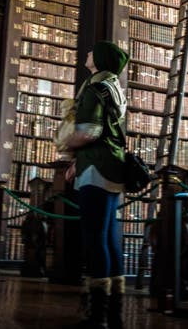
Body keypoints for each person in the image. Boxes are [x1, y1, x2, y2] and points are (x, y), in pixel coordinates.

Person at [62, 40, 129, 329]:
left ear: (100, 59)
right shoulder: (114, 87)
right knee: (109, 235)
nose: (87, 54)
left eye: (92, 52)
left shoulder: (94, 88)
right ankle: (114, 311)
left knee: (94, 236)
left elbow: (89, 131)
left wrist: (66, 144)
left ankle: (97, 314)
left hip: (97, 169)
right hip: (112, 165)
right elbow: (108, 132)